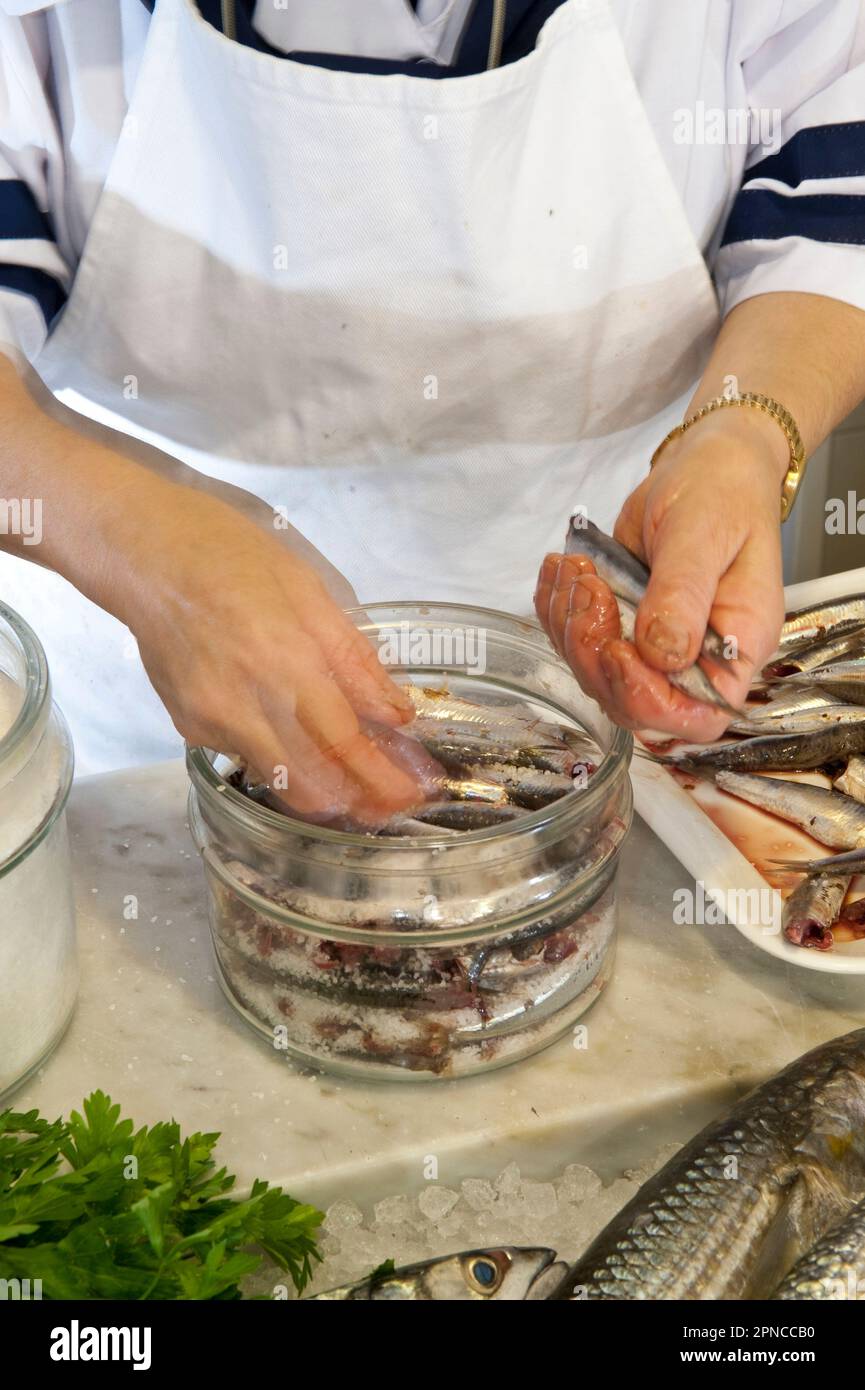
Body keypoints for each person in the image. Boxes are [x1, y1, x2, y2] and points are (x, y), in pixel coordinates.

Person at [0, 0, 864, 820]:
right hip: (133, 721)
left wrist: (742, 433)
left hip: (608, 691)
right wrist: (144, 550)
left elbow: (830, 181)